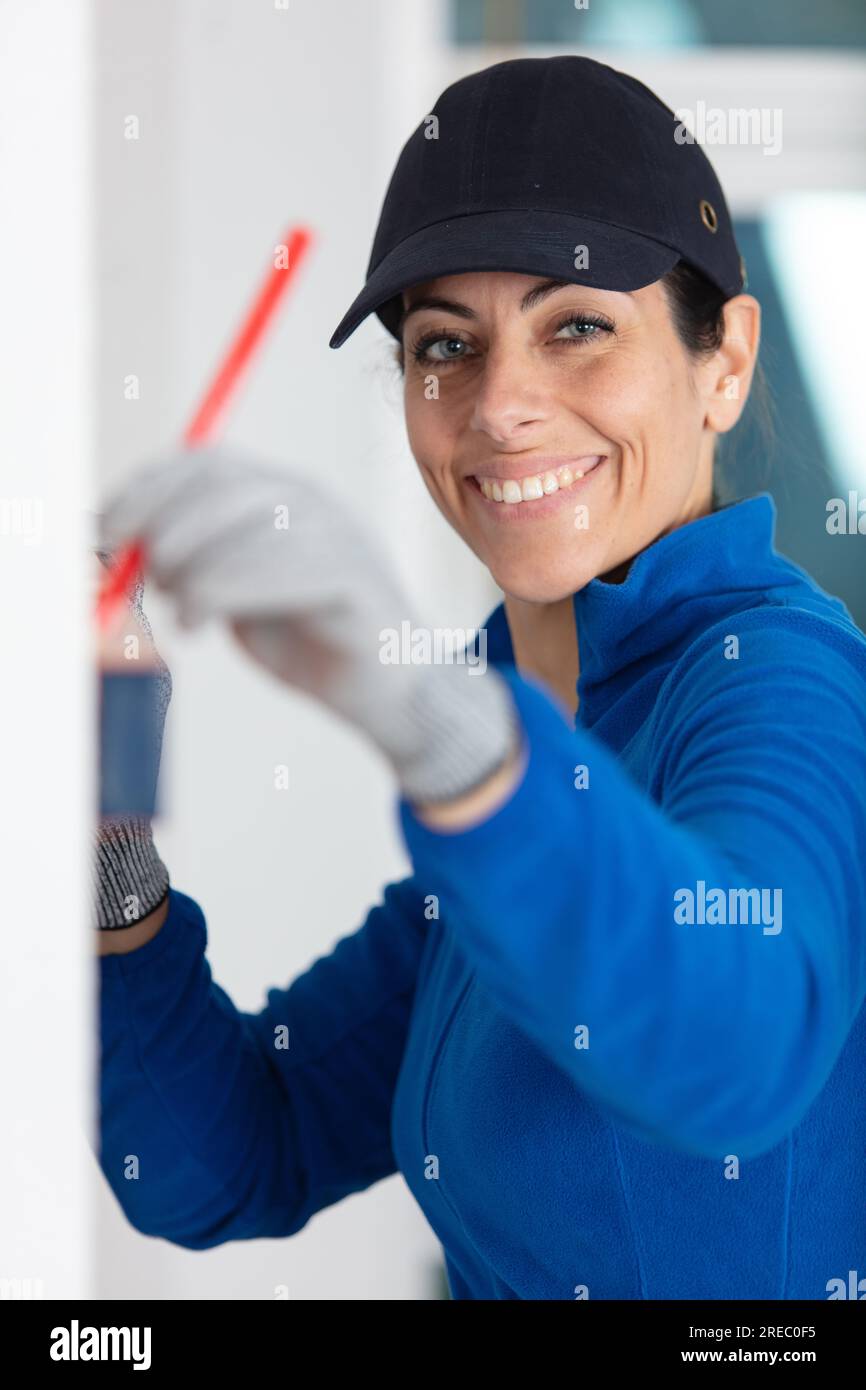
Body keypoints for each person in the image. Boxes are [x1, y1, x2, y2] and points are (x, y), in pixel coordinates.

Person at [94, 55, 866, 1300]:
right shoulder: (545, 718)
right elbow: (233, 1156)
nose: (499, 405)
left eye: (575, 327)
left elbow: (740, 1044)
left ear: (722, 360)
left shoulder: (780, 684)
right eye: (445, 344)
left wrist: (447, 737)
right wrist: (106, 833)